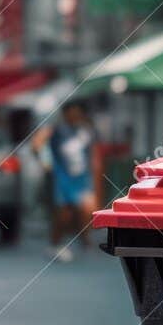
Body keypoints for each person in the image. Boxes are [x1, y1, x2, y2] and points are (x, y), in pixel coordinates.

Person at [43, 100, 96, 262]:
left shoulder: (85, 130)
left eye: (78, 112)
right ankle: (55, 244)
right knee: (63, 214)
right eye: (72, 112)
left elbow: (93, 152)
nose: (75, 115)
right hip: (63, 177)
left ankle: (86, 243)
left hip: (82, 177)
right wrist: (45, 163)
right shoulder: (57, 129)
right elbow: (37, 144)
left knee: (87, 210)